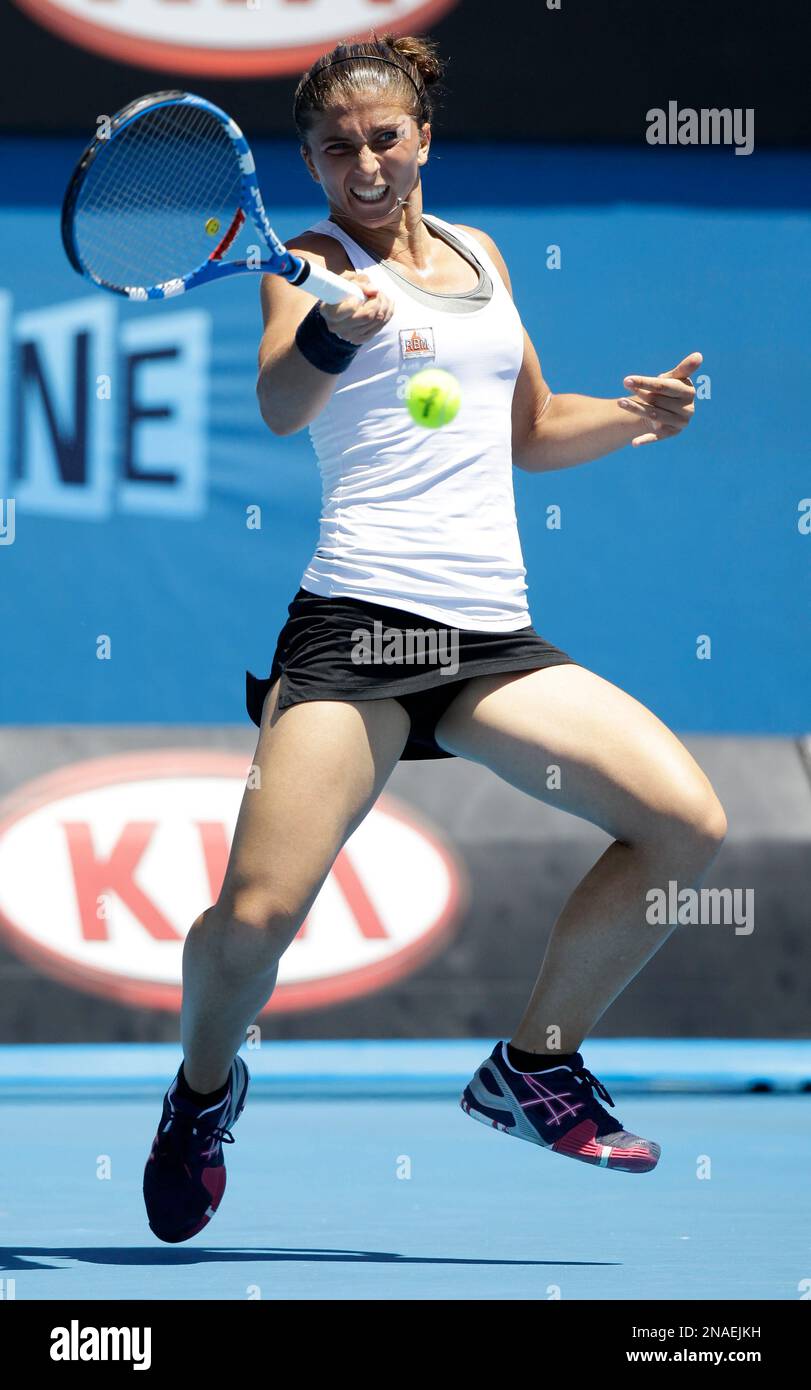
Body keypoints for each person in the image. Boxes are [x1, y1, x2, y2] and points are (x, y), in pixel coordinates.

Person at [143, 33, 725, 1243]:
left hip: (488, 642)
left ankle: (535, 1066)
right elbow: (275, 400)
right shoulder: (305, 263)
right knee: (254, 921)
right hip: (355, 633)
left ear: (421, 140)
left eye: (384, 137)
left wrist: (634, 418)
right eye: (337, 145)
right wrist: (331, 334)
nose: (364, 161)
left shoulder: (481, 253)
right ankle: (202, 1090)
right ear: (307, 158)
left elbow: (531, 428)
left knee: (685, 823)